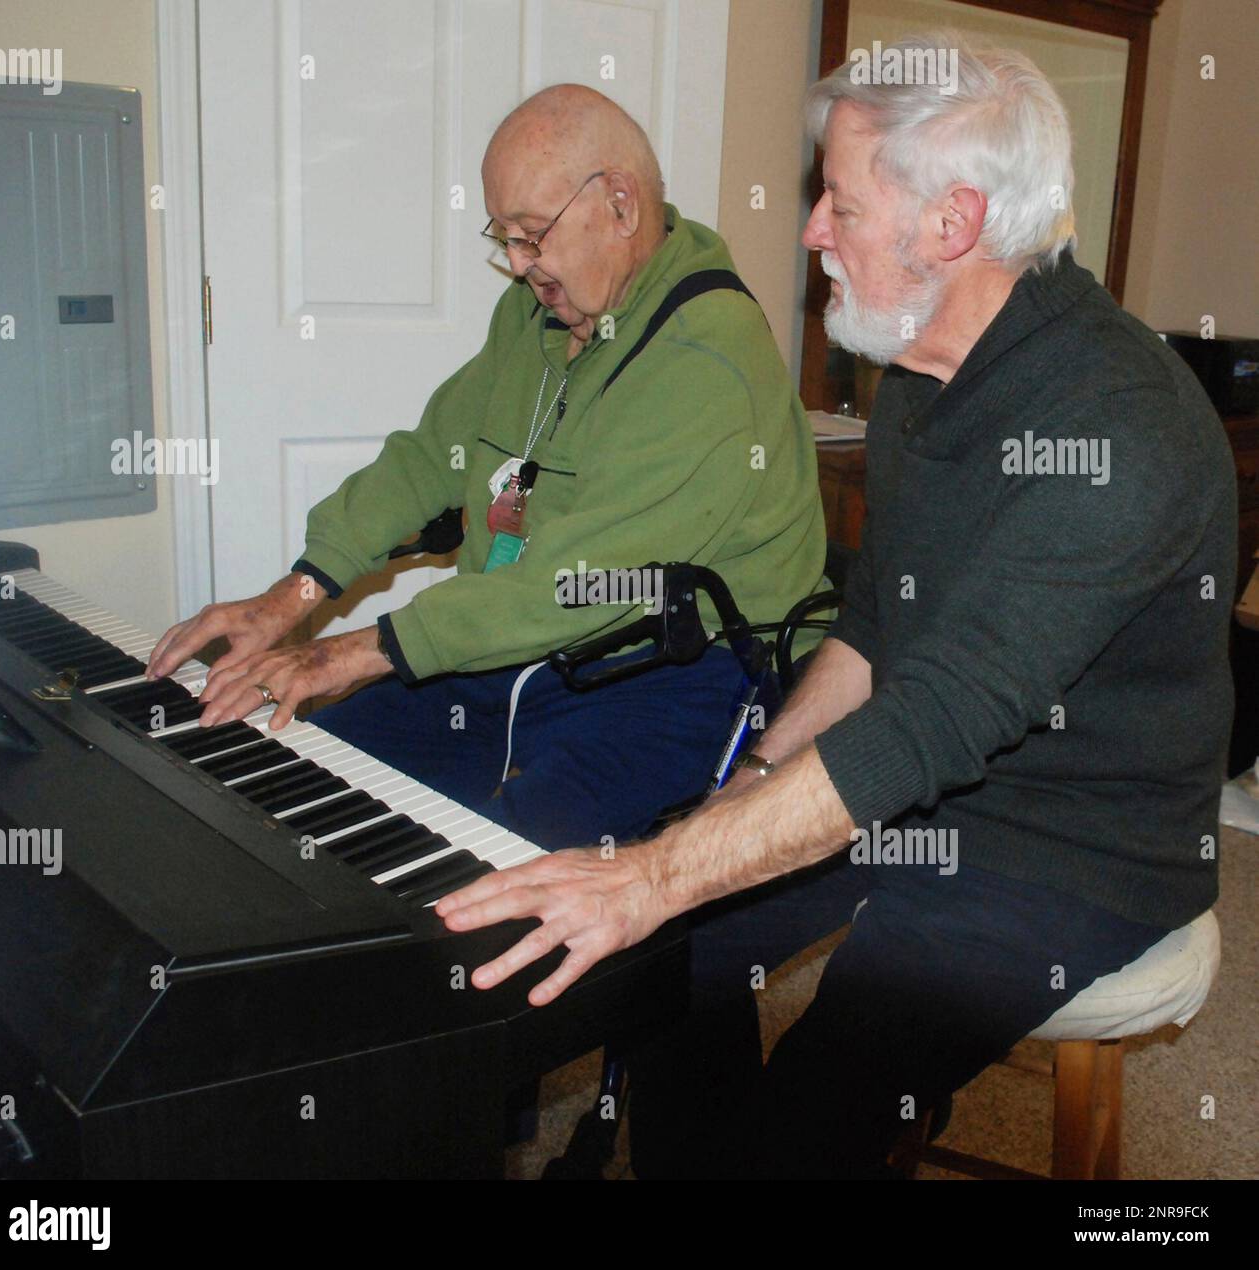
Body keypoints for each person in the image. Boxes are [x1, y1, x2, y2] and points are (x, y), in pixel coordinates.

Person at [436, 34, 1237, 1178]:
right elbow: (872, 632)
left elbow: (936, 718)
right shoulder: (915, 369)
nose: (809, 229)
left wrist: (652, 873)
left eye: (841, 205)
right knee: (657, 961)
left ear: (951, 225)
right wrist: (745, 788)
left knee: (813, 1085)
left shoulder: (1120, 432)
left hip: (1071, 846)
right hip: (916, 775)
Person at [147, 84, 825, 851]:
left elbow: (579, 584)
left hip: (680, 671)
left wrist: (343, 654)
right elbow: (431, 458)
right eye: (503, 236)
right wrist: (291, 597)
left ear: (623, 206)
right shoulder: (538, 314)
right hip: (524, 636)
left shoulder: (707, 361)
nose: (515, 263)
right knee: (308, 778)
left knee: (498, 877)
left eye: (533, 235)